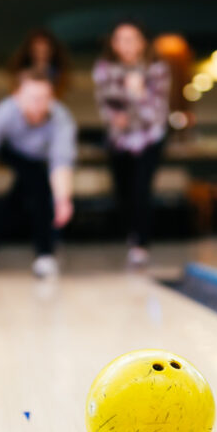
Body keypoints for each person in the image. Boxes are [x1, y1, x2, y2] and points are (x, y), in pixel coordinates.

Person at [0, 70, 76, 278]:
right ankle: (45, 253)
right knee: (38, 187)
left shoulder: (62, 119)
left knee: (22, 196)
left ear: (51, 98)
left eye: (44, 98)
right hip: (11, 151)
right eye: (32, 98)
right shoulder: (2, 114)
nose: (38, 105)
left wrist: (62, 200)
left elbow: (60, 164)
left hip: (41, 159)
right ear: (17, 96)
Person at [93, 21, 170, 267]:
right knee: (122, 191)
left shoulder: (157, 69)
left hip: (149, 138)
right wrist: (117, 119)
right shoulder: (104, 69)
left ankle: (141, 244)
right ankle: (131, 234)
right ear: (113, 44)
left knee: (141, 189)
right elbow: (105, 106)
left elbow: (156, 113)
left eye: (131, 39)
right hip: (119, 138)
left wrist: (138, 94)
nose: (125, 44)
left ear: (141, 42)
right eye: (120, 39)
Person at [8, 29, 72, 98]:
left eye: (45, 51)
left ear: (52, 51)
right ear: (30, 51)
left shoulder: (59, 75)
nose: (40, 55)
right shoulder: (21, 74)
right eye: (36, 51)